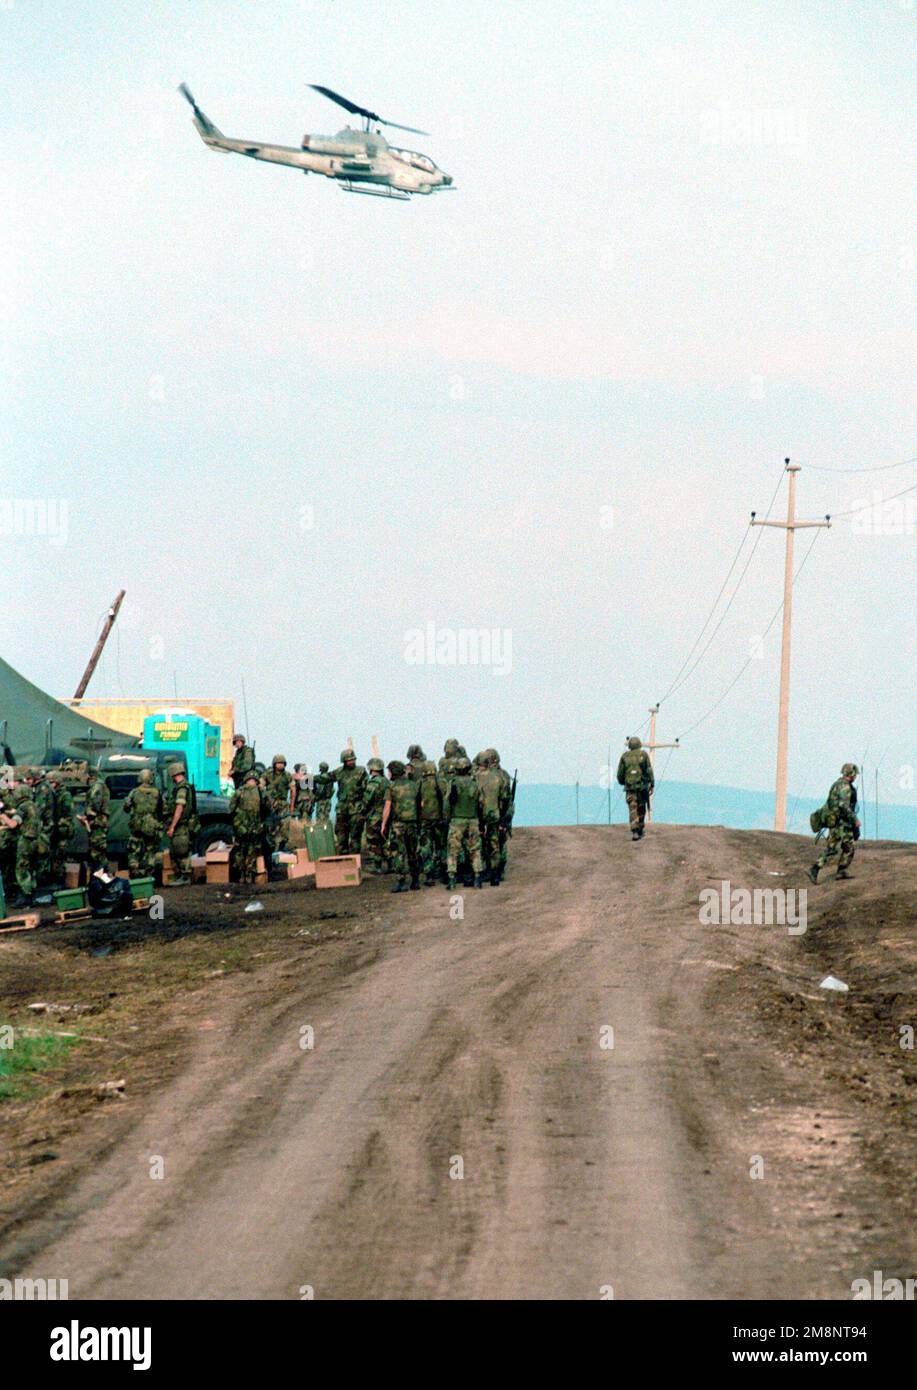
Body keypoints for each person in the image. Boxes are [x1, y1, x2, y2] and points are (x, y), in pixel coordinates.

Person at [809, 763, 860, 883]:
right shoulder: (845, 787)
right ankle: (817, 868)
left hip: (837, 821)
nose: (855, 777)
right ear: (851, 774)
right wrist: (855, 820)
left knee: (845, 847)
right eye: (854, 774)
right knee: (841, 848)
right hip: (841, 823)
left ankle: (839, 870)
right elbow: (844, 806)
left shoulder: (837, 784)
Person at [445, 756, 484, 890]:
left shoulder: (453, 783)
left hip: (457, 821)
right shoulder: (475, 783)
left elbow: (447, 804)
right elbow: (481, 803)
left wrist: (447, 818)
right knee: (475, 850)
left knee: (453, 851)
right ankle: (477, 877)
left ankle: (451, 879)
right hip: (473, 820)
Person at [381, 760, 421, 892]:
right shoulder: (414, 785)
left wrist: (383, 825)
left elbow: (387, 807)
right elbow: (421, 805)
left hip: (398, 824)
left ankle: (401, 881)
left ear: (393, 772)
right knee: (413, 851)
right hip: (413, 823)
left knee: (398, 852)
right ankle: (415, 880)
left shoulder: (391, 787)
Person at [476, 751, 510, 886]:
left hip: (481, 816)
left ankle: (486, 871)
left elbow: (476, 799)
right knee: (495, 844)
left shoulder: (477, 777)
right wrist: (503, 818)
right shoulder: (499, 778)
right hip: (496, 815)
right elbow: (505, 799)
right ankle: (496, 875)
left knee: (483, 845)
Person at [124, 768, 165, 878]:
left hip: (137, 826)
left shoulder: (134, 792)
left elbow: (126, 808)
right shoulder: (157, 793)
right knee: (150, 851)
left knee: (134, 851)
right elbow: (162, 810)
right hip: (151, 827)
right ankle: (149, 876)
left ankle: (134, 872)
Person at [164, 763, 199, 886]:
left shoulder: (182, 789)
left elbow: (179, 807)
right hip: (184, 824)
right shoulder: (186, 786)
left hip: (181, 825)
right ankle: (183, 876)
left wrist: (172, 826)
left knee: (181, 850)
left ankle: (185, 877)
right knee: (178, 850)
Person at [230, 771, 265, 885]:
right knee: (241, 851)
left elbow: (265, 808)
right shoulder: (240, 792)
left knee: (251, 852)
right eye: (250, 780)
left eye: (254, 780)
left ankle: (248, 874)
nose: (252, 782)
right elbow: (232, 810)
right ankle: (241, 874)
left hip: (254, 827)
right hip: (242, 826)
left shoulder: (260, 792)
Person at [617, 736, 654, 841]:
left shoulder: (625, 756)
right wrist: (652, 783)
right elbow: (649, 770)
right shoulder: (644, 755)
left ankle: (634, 831)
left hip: (630, 788)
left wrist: (623, 782)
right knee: (641, 808)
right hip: (642, 787)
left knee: (633, 809)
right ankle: (640, 828)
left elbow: (620, 774)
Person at [332, 749, 367, 855]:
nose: (352, 762)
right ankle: (343, 858)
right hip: (342, 808)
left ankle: (355, 860)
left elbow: (367, 789)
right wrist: (306, 778)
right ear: (344, 761)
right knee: (341, 834)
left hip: (356, 808)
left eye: (353, 759)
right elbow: (324, 778)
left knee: (355, 835)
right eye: (349, 760)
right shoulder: (338, 772)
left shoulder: (361, 771)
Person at [418, 760, 445, 886]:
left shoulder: (420, 783)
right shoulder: (440, 782)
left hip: (425, 821)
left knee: (426, 848)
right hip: (439, 820)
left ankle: (429, 874)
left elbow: (416, 802)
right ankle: (442, 871)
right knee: (440, 846)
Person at [261, 754, 293, 858]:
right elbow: (261, 786)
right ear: (274, 764)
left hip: (283, 804)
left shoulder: (287, 775)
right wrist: (266, 796)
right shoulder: (268, 774)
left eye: (282, 763)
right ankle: (270, 847)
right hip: (270, 804)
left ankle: (282, 845)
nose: (280, 765)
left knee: (285, 824)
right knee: (271, 826)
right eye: (278, 763)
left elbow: (293, 790)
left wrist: (292, 805)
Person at [47, 771, 76, 884]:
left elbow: (68, 814)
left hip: (64, 831)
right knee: (56, 858)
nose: (50, 785)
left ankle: (66, 882)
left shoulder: (65, 795)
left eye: (52, 782)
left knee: (65, 858)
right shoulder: (54, 794)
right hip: (57, 831)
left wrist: (58, 822)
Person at [81, 764, 110, 871]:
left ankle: (101, 881)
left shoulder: (97, 787)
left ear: (91, 776)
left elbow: (95, 804)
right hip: (98, 822)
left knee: (98, 854)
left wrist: (88, 816)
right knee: (97, 853)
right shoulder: (99, 786)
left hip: (97, 823)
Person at [361, 758, 388, 873]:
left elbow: (366, 800)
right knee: (385, 840)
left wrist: (362, 811)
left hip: (374, 816)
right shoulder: (386, 781)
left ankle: (377, 866)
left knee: (373, 841)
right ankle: (390, 864)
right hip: (386, 816)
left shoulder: (373, 783)